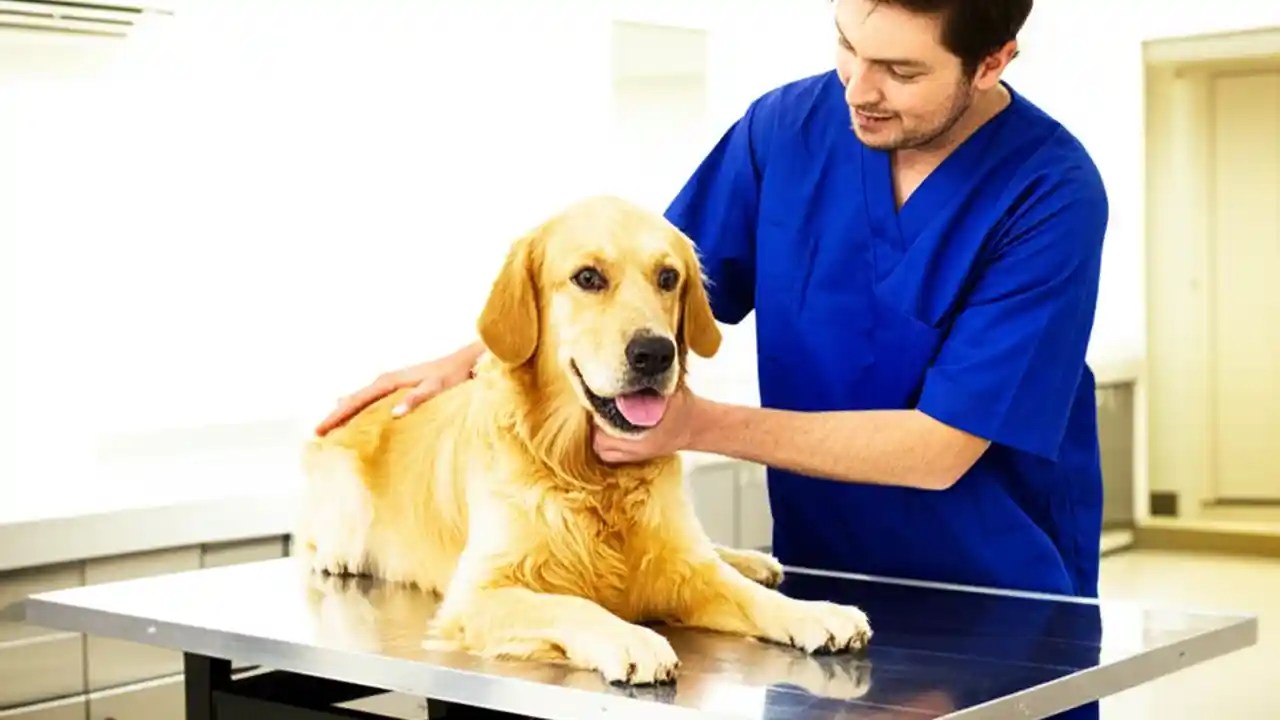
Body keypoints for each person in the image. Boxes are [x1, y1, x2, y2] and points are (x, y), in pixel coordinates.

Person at [316, 0, 1107, 603]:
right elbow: (654, 289)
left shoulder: (1049, 194)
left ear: (992, 62)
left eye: (901, 72)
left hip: (995, 589)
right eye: (846, 46)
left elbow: (941, 450)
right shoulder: (785, 131)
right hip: (818, 567)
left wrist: (698, 427)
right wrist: (485, 352)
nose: (858, 90)